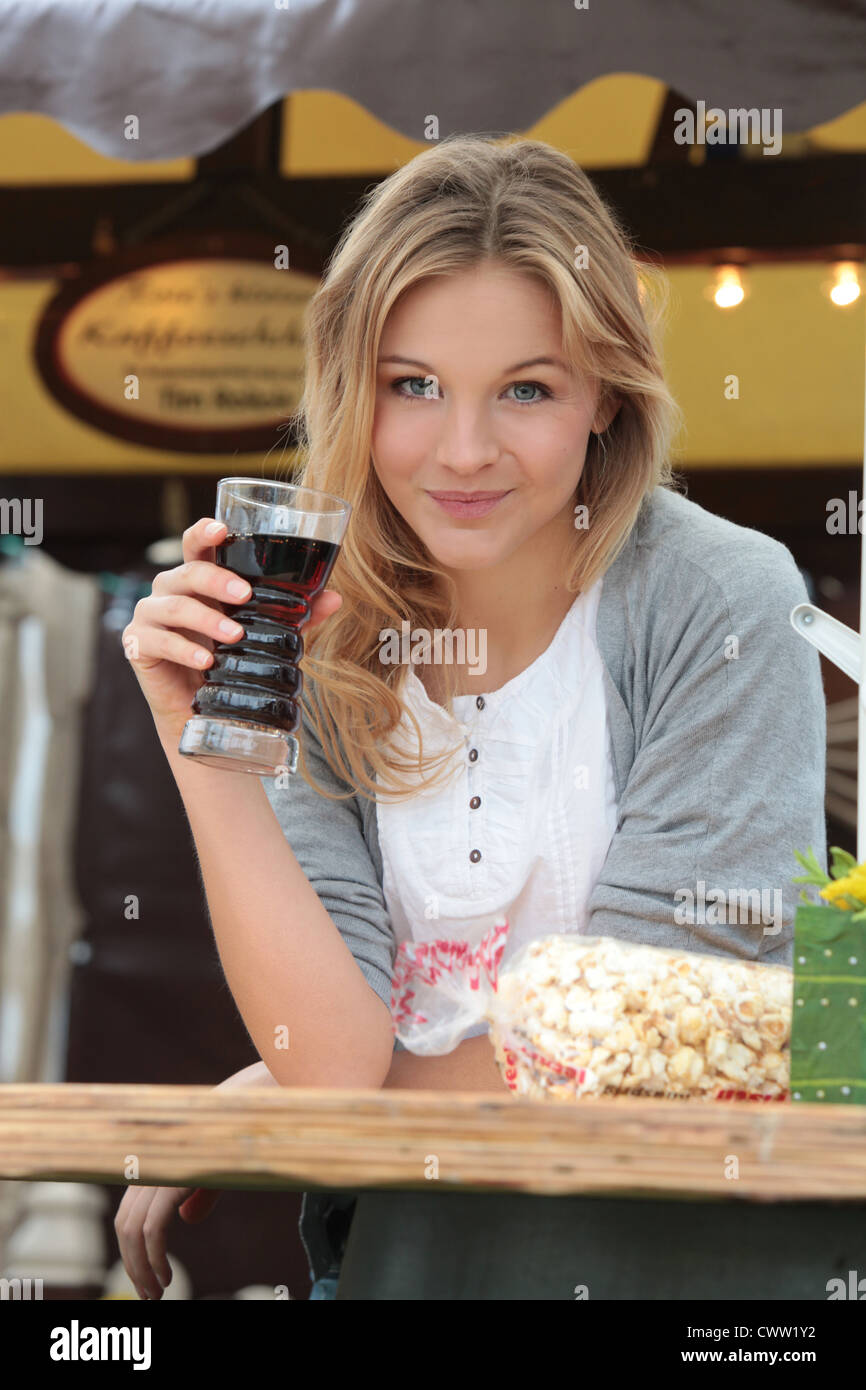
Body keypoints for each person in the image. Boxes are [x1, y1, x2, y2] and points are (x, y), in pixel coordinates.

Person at [114, 133, 827, 1301]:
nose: (462, 451)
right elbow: (329, 1059)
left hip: (691, 1272)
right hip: (406, 1260)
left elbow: (644, 1035)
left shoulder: (717, 597)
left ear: (604, 394)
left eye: (527, 389)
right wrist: (207, 746)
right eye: (414, 385)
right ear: (358, 389)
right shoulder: (316, 632)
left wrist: (266, 1098)